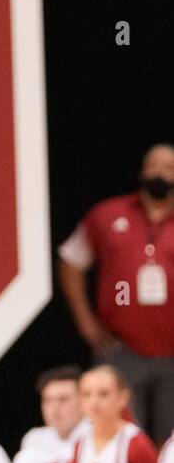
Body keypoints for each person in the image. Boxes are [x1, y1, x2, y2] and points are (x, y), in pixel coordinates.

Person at [58, 144, 174, 441]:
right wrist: (86, 322)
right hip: (121, 348)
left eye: (168, 167)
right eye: (153, 165)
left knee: (171, 442)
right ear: (141, 171)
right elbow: (71, 262)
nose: (159, 171)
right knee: (115, 434)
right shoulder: (107, 215)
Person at [70, 365, 158, 463]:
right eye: (87, 394)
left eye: (103, 394)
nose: (94, 401)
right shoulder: (81, 443)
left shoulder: (135, 443)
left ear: (123, 398)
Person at [12, 366, 90, 463]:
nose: (55, 407)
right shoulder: (34, 438)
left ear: (83, 401)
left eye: (63, 399)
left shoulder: (96, 434)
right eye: (48, 400)